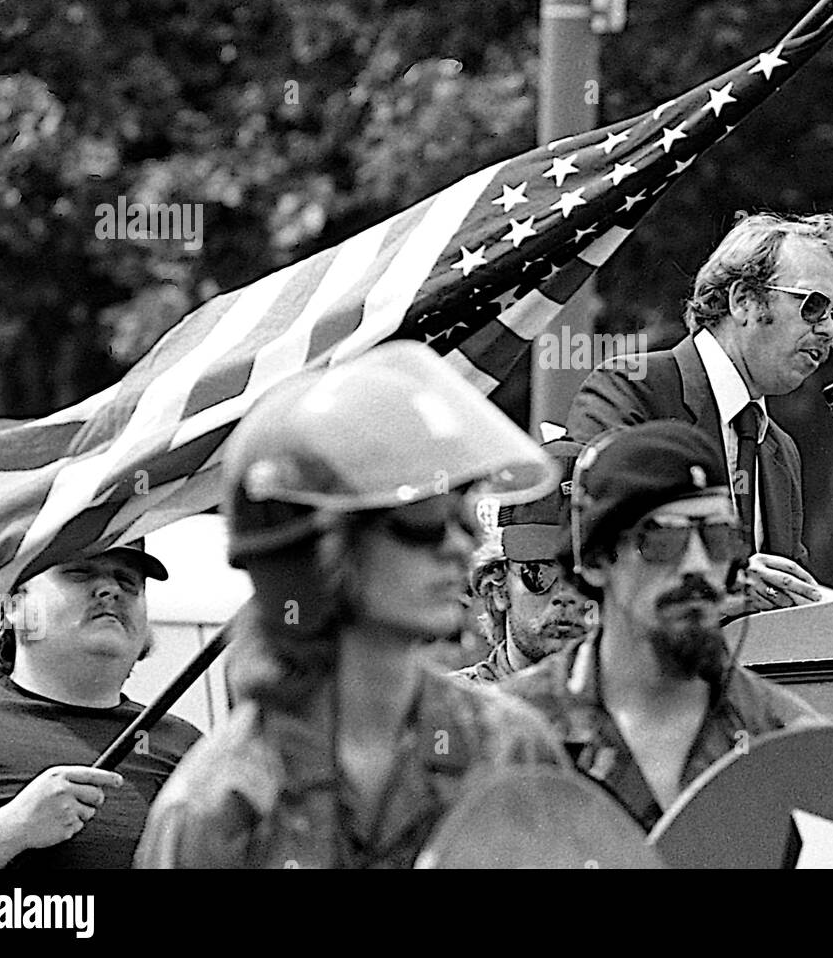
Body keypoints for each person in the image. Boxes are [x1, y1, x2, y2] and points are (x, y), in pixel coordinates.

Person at [135, 342, 573, 869]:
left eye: (464, 516)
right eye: (425, 518)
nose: (458, 546)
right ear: (318, 551)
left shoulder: (511, 750)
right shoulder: (222, 807)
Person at [502, 421, 825, 832]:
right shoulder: (514, 738)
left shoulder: (786, 738)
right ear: (598, 561)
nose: (697, 566)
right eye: (662, 539)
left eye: (718, 536)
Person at [567, 210, 833, 613]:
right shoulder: (632, 388)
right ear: (743, 300)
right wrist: (726, 584)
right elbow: (593, 542)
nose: (828, 330)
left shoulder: (780, 450)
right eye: (814, 306)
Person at [0, 539, 200, 869]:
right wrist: (10, 830)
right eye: (79, 571)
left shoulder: (189, 747)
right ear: (12, 604)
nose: (110, 589)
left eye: (129, 581)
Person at [456, 437, 595, 683]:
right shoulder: (444, 712)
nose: (563, 595)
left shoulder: (654, 712)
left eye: (582, 575)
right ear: (499, 589)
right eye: (537, 572)